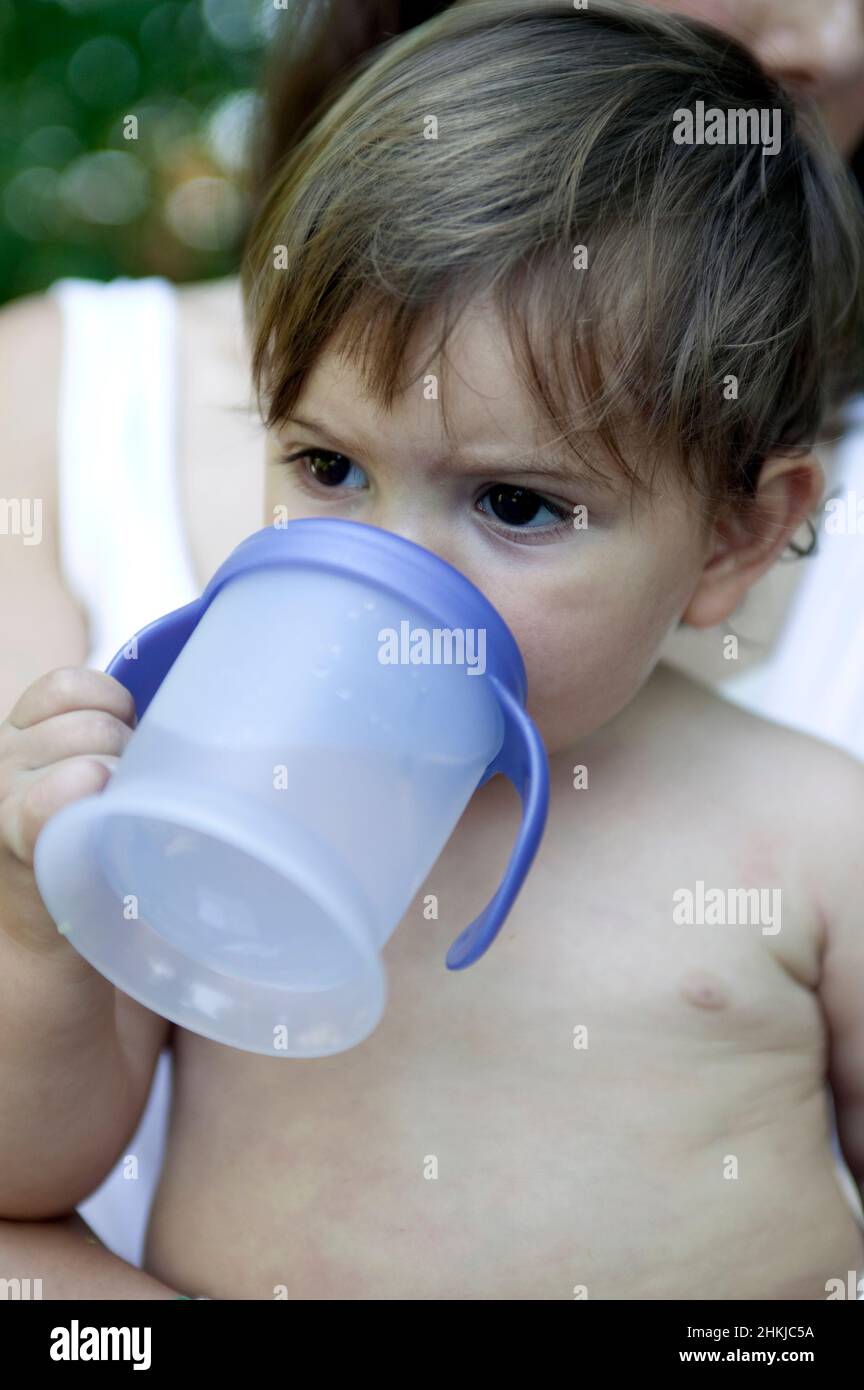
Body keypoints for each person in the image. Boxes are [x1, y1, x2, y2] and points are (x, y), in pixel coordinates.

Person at [2, 0, 864, 1299]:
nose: (398, 571)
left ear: (739, 536)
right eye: (327, 465)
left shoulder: (812, 835)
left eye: (518, 503)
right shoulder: (219, 787)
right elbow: (29, 1173)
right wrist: (39, 929)